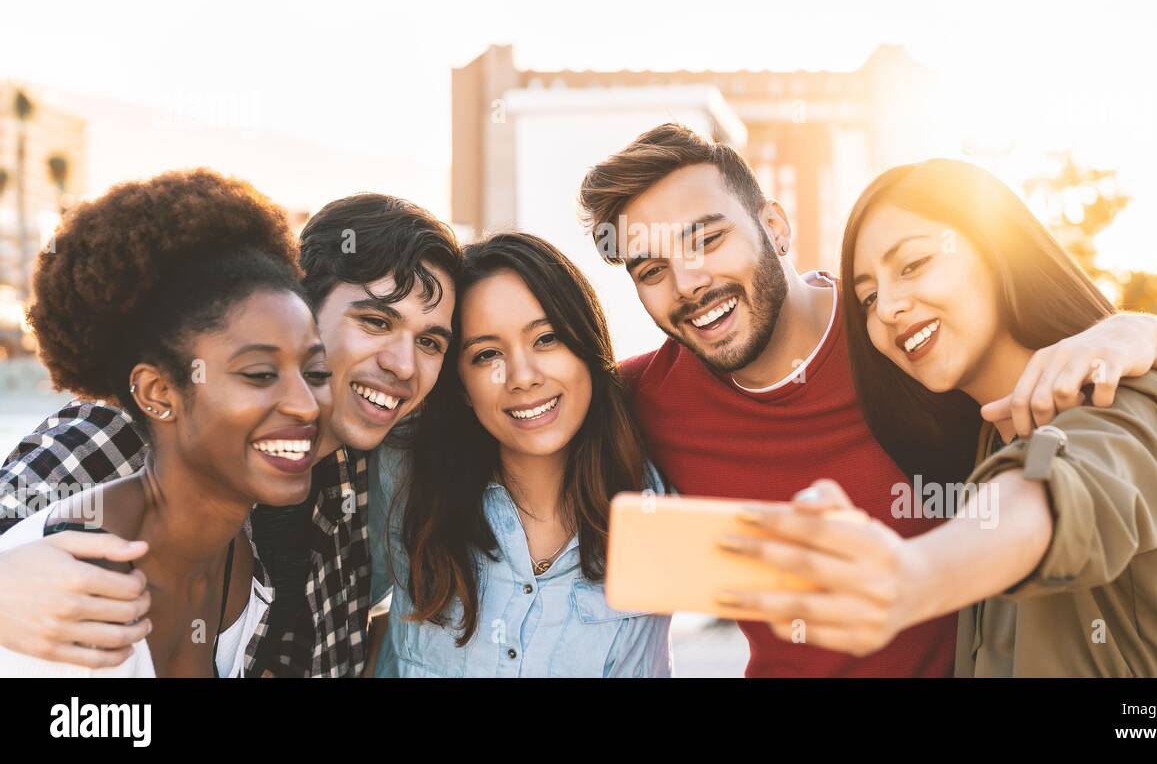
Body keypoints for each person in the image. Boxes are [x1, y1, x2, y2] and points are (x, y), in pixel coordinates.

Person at [576, 123, 1157, 677]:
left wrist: (1143, 330)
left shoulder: (916, 358)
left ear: (776, 227)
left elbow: (1070, 482)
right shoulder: (642, 399)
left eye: (708, 238)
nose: (689, 280)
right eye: (652, 270)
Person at [0, 191, 461, 676]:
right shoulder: (136, 425)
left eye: (429, 342)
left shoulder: (355, 470)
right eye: (375, 321)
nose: (403, 365)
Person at [0, 170, 330, 676]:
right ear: (158, 392)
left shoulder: (242, 565)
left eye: (315, 371)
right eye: (260, 373)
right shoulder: (55, 589)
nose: (307, 405)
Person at [367, 233, 671, 677]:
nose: (522, 377)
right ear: (462, 386)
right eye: (487, 353)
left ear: (586, 346)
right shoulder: (405, 467)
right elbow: (334, 611)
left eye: (546, 339)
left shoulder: (654, 506)